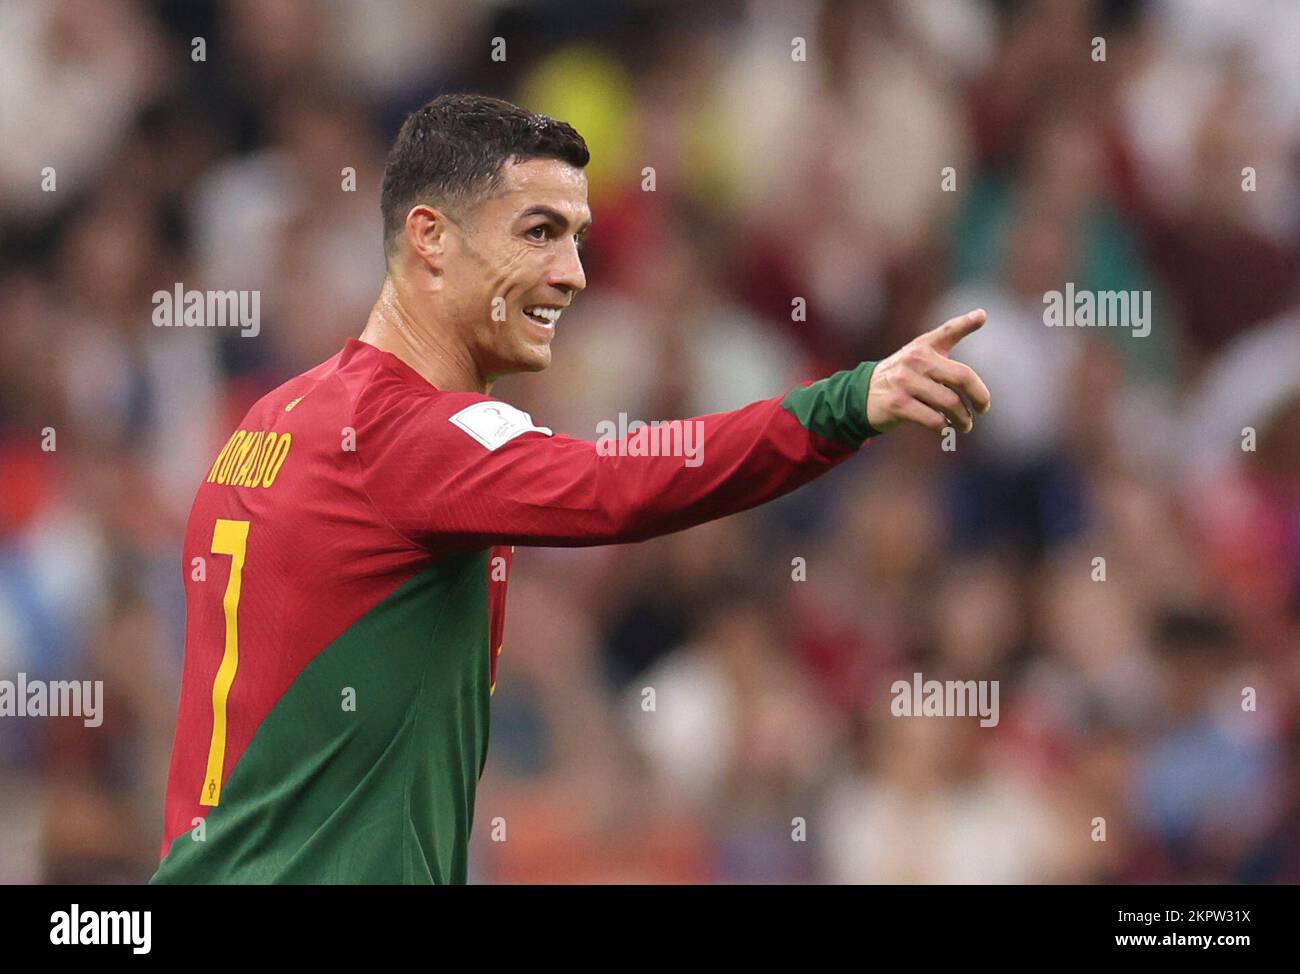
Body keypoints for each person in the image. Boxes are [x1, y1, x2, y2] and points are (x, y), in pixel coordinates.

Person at [151, 93, 991, 884]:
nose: (574, 274)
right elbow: (615, 485)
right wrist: (850, 402)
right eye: (540, 232)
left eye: (578, 237)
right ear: (431, 237)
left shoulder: (274, 418)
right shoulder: (406, 437)